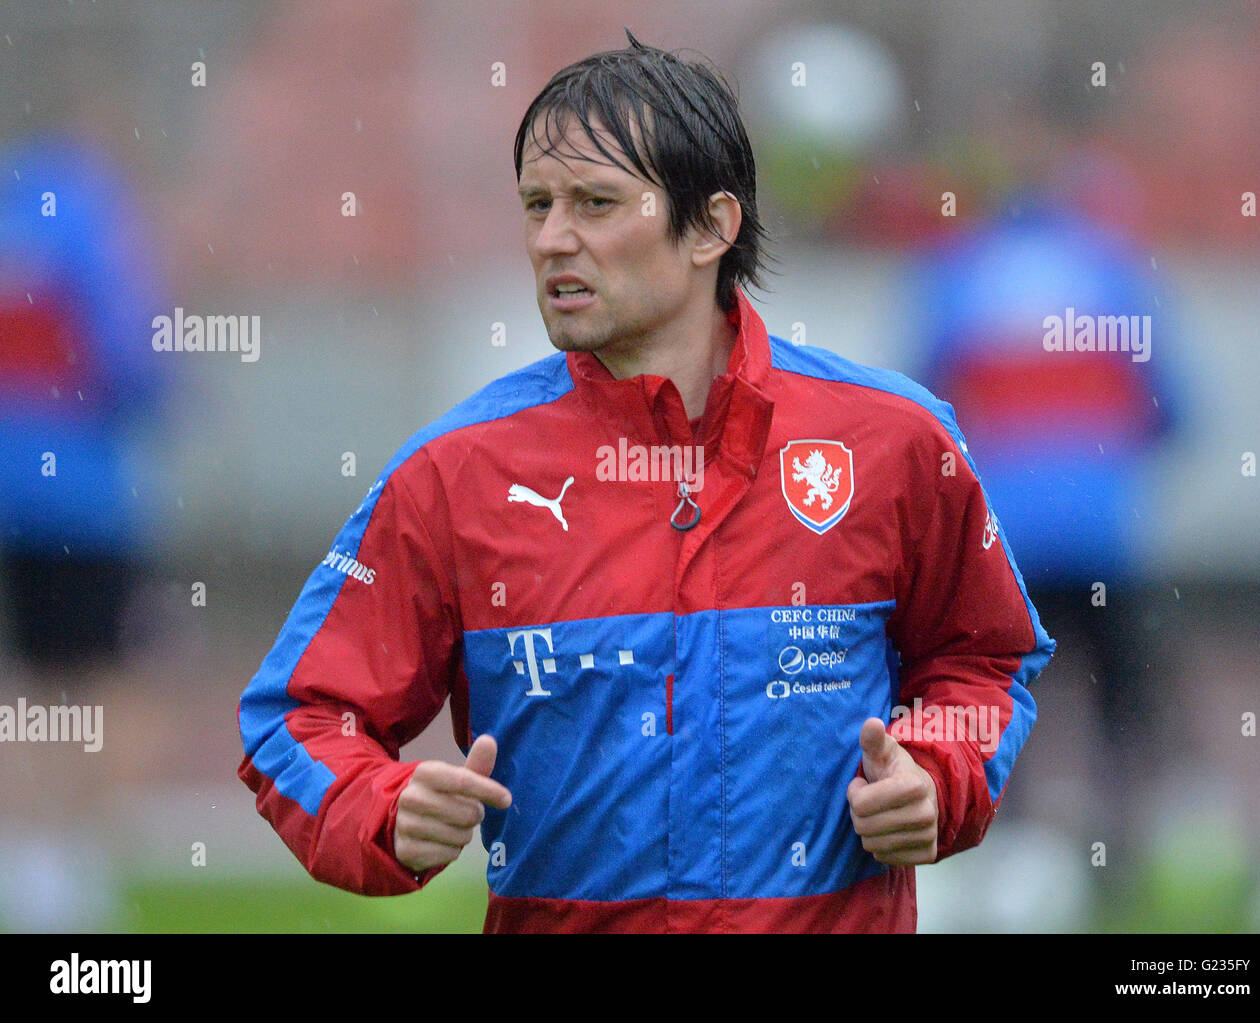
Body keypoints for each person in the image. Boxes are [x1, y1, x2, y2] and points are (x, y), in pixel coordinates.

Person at [237, 30, 1055, 933]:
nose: (553, 240)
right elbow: (300, 717)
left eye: (594, 202)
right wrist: (382, 807)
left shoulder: (895, 440)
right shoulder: (454, 472)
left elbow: (983, 660)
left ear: (712, 225)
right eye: (536, 204)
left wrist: (937, 769)